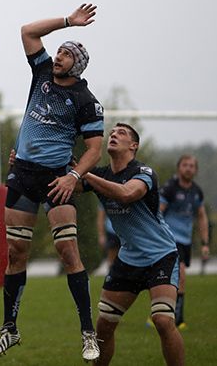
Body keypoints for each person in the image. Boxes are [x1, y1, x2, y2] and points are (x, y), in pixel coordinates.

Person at [0, 3, 103, 362]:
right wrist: (68, 21)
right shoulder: (41, 74)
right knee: (16, 253)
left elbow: (94, 150)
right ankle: (10, 329)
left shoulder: (85, 100)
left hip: (57, 181)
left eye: (67, 55)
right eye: (60, 51)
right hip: (22, 174)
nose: (59, 57)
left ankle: (87, 333)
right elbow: (28, 31)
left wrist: (73, 176)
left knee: (68, 252)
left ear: (78, 66)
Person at [83, 123, 185, 366]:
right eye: (113, 132)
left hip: (161, 255)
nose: (114, 134)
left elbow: (127, 194)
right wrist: (26, 167)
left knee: (162, 321)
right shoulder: (102, 175)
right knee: (104, 325)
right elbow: (63, 185)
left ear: (134, 145)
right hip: (128, 259)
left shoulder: (144, 172)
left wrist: (83, 173)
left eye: (122, 133)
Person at [158, 154, 210, 329]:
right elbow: (158, 213)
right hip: (169, 240)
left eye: (192, 166)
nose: (188, 168)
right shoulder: (169, 188)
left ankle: (162, 314)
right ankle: (176, 318)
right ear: (178, 167)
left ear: (196, 170)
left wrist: (205, 243)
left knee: (174, 279)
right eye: (185, 165)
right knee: (179, 276)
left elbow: (202, 217)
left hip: (185, 241)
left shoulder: (196, 192)